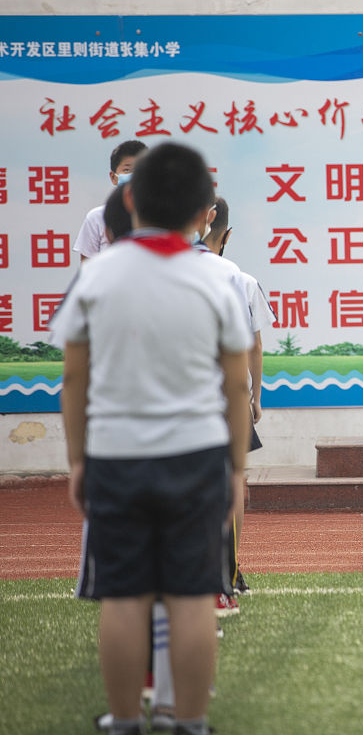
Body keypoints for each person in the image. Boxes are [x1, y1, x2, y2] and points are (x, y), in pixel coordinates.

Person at [53, 141, 252, 735]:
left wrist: (77, 461)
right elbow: (236, 387)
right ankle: (188, 721)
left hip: (115, 454)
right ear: (204, 211)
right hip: (196, 455)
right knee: (191, 598)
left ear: (127, 198)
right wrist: (236, 472)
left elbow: (72, 379)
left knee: (124, 597)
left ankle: (123, 720)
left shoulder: (95, 278)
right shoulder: (218, 277)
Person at [200, 196, 275, 598]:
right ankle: (230, 570)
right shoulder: (238, 276)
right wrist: (255, 398)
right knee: (232, 482)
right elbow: (253, 346)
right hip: (226, 394)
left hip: (180, 393)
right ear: (225, 232)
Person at [75, 140, 148, 263]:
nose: (134, 176)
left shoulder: (159, 217)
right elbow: (86, 268)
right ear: (113, 177)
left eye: (140, 170)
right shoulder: (96, 217)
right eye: (127, 170)